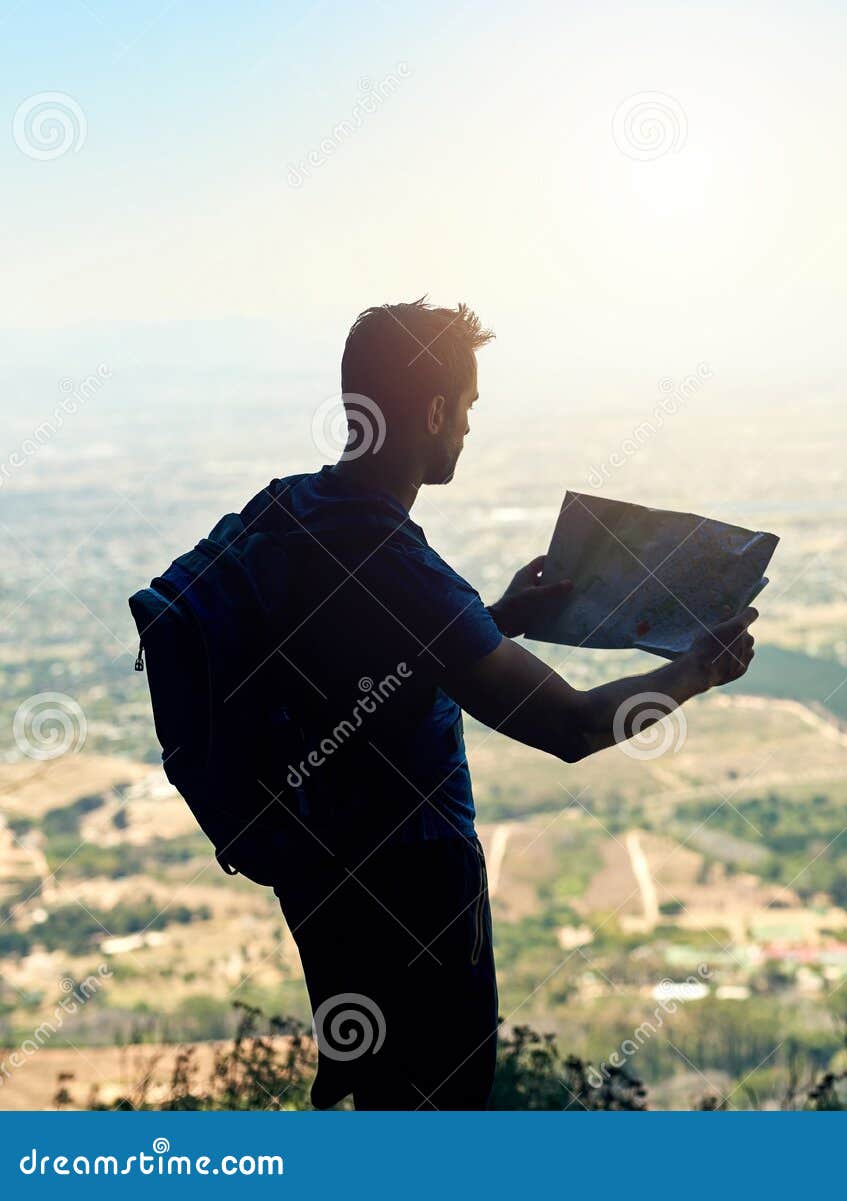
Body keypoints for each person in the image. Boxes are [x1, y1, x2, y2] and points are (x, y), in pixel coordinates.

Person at [239, 299, 757, 1110]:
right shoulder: (400, 566)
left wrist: (498, 619)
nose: (471, 429)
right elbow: (573, 726)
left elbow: (364, 656)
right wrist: (696, 670)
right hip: (417, 892)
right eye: (469, 406)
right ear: (437, 409)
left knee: (381, 1106)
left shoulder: (291, 512)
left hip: (331, 888)